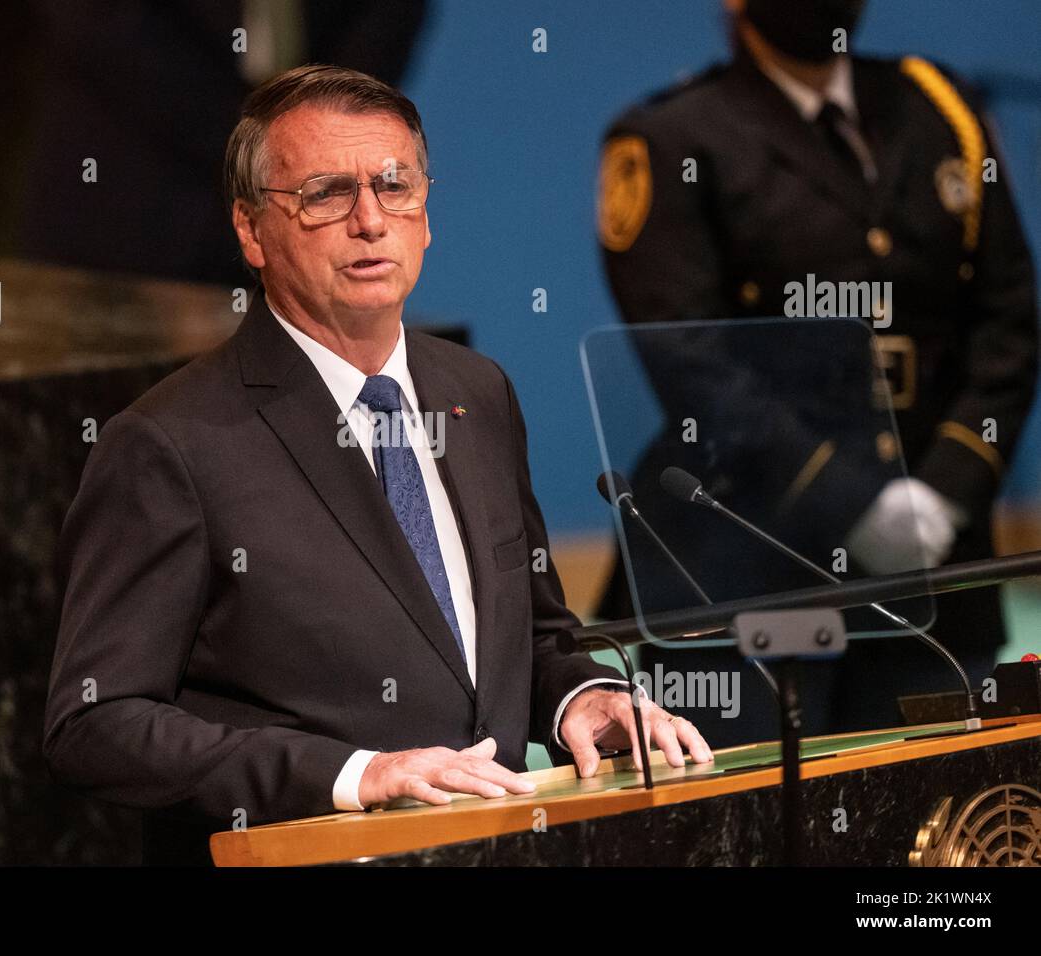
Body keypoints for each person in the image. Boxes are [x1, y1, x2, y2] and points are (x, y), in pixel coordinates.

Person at [45, 65, 713, 865]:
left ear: (425, 214)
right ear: (252, 231)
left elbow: (531, 634)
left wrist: (582, 696)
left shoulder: (477, 392)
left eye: (394, 186)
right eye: (326, 193)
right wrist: (355, 775)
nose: (369, 220)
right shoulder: (171, 444)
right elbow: (95, 722)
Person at [593, 0, 1038, 747]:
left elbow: (1010, 320)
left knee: (942, 830)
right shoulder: (670, 137)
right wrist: (854, 504)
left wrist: (947, 490)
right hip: (748, 574)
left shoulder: (939, 106)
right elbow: (689, 360)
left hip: (936, 571)